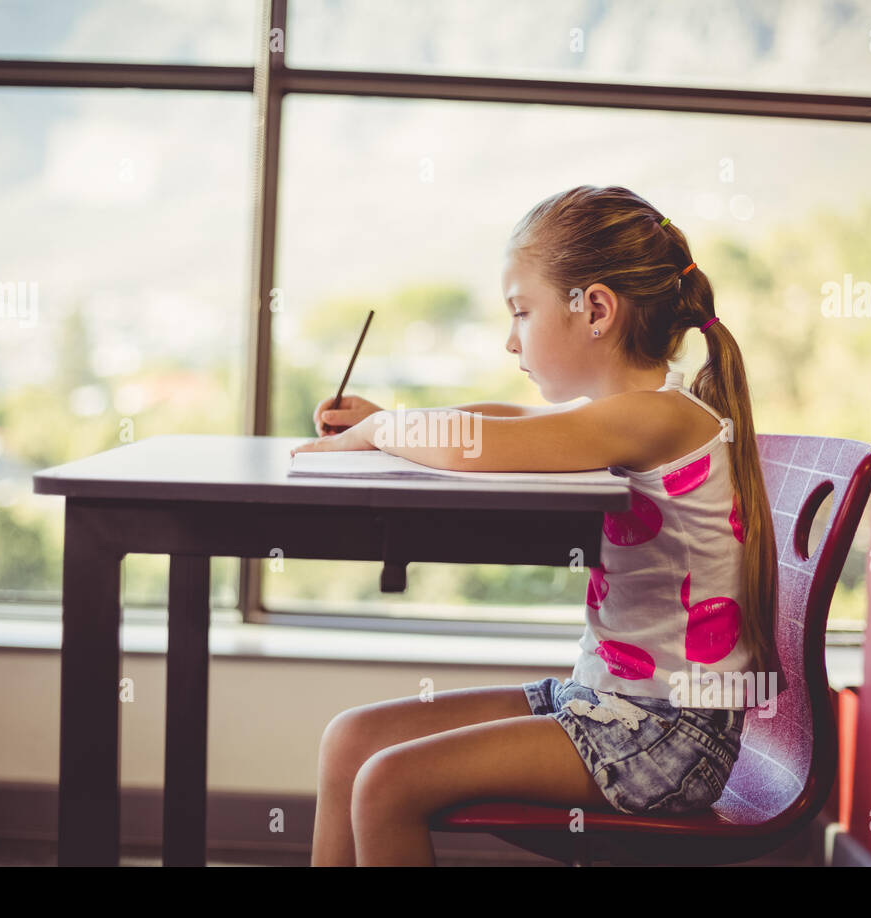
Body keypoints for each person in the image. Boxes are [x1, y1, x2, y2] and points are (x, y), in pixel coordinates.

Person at [291, 184, 785, 866]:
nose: (509, 338)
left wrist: (384, 429)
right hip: (603, 705)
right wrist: (388, 421)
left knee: (387, 781)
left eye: (522, 311)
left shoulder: (658, 417)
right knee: (352, 741)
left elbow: (483, 444)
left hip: (666, 734)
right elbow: (505, 421)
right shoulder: (627, 415)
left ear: (597, 310)